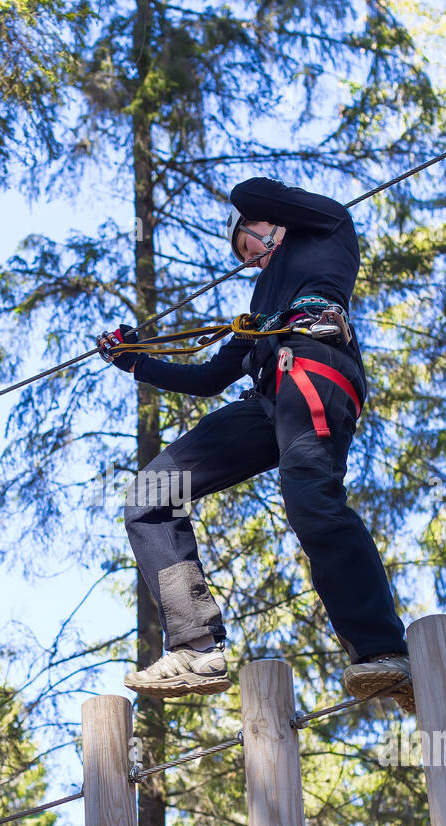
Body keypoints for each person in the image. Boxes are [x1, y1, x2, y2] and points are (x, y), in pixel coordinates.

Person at [101, 176, 414, 711]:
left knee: (310, 500)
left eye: (251, 247)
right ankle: (197, 646)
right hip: (266, 400)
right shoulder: (258, 307)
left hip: (313, 366)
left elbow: (249, 191)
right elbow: (208, 378)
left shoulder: (328, 229)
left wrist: (253, 218)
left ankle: (385, 651)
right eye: (244, 256)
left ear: (272, 225)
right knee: (152, 496)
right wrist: (134, 360)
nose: (251, 262)